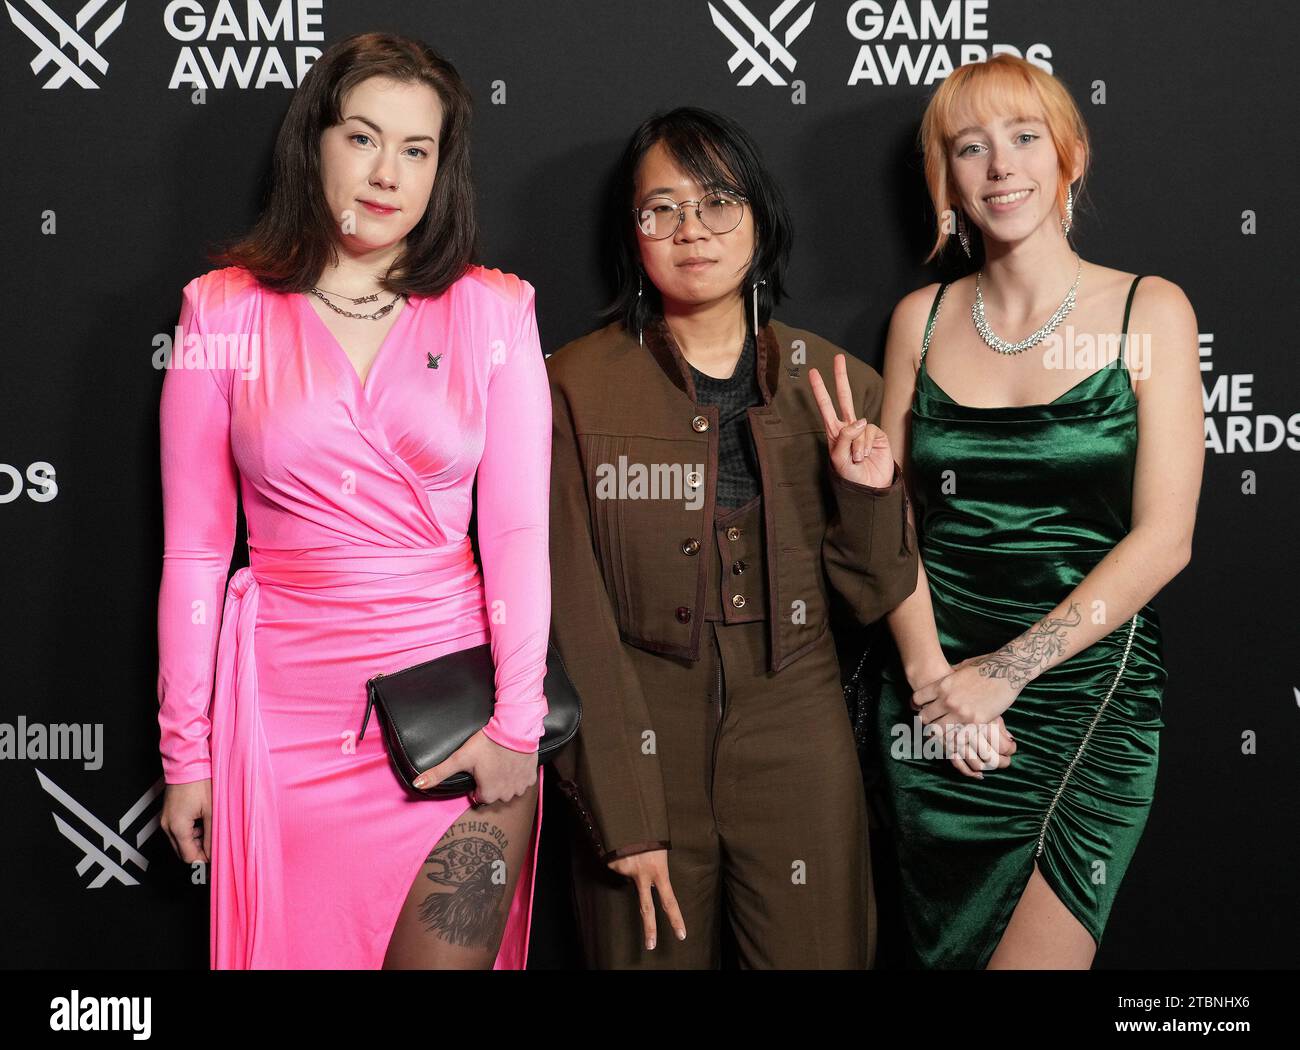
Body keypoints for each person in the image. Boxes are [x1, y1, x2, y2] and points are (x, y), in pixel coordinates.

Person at [154, 32, 552, 970]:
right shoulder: (222, 311)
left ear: (441, 171)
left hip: (460, 720)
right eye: (363, 138)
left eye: (416, 150)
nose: (386, 174)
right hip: (283, 724)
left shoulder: (497, 310)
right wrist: (187, 755)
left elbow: (519, 534)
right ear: (313, 145)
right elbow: (197, 553)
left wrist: (518, 726)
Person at [546, 107, 918, 969]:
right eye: (662, 208)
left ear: (761, 217)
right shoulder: (570, 385)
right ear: (631, 231)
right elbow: (568, 613)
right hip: (640, 727)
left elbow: (873, 596)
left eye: (719, 201)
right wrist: (623, 805)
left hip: (797, 724)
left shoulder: (835, 379)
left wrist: (868, 493)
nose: (692, 231)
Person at [875, 54, 1203, 968]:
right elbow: (888, 526)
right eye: (970, 148)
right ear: (946, 179)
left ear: (1071, 155)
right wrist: (938, 684)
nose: (1001, 168)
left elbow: (1165, 538)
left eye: (1024, 138)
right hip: (931, 692)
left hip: (1080, 689)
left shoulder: (1149, 309)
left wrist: (1007, 673)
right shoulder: (922, 320)